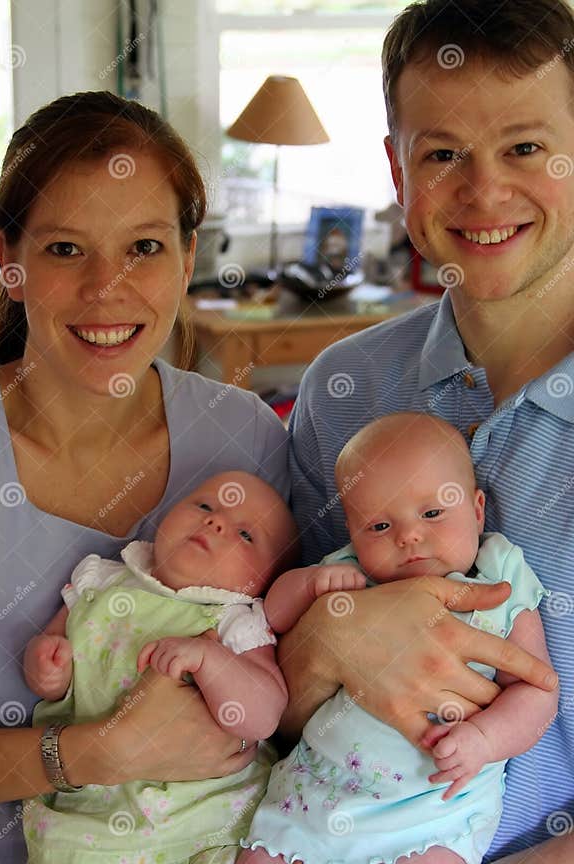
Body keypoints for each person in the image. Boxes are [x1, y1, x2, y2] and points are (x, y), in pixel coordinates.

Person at [278, 1, 573, 862]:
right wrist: (330, 637)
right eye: (443, 154)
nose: (485, 193)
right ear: (397, 171)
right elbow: (276, 711)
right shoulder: (340, 392)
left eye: (525, 147)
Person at [0, 91, 290, 863]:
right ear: (9, 263)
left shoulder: (249, 442)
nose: (108, 286)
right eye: (66, 249)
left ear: (188, 259)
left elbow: (301, 692)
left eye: (145, 247)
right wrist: (91, 753)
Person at [240, 414, 558, 864]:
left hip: (432, 812)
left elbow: (537, 688)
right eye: (379, 527)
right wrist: (309, 584)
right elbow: (272, 614)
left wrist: (485, 740)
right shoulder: (349, 573)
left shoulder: (498, 575)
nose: (408, 536)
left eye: (432, 513)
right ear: (353, 533)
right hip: (318, 795)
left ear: (477, 510)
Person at [21, 470, 298, 863]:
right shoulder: (100, 581)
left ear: (264, 581)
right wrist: (46, 667)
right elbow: (53, 653)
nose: (216, 521)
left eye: (246, 535)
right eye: (204, 505)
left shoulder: (234, 620)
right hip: (96, 800)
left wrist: (212, 660)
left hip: (204, 810)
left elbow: (264, 716)